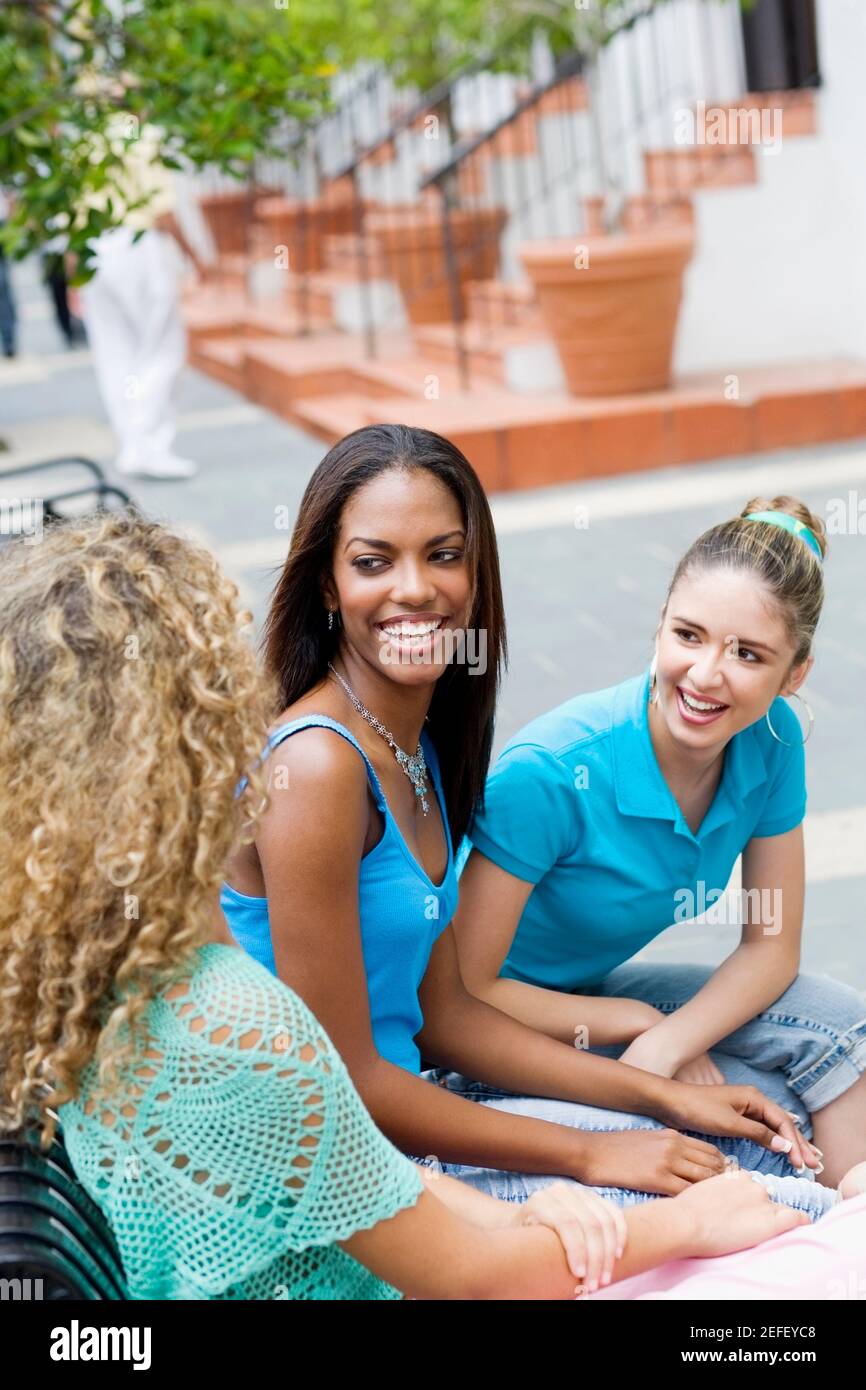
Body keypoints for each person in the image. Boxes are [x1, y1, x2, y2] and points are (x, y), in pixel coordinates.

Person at [7, 507, 858, 1302]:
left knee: (780, 1117)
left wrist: (566, 1180)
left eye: (446, 556)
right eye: (225, 703)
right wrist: (635, 1183)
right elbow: (439, 1244)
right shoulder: (242, 1005)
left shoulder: (127, 959)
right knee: (776, 1191)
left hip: (407, 1182)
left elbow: (372, 1134)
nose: (250, 728)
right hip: (402, 1228)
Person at [221, 427, 835, 1216]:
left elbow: (446, 1017)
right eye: (374, 562)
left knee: (754, 1136)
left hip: (402, 1124)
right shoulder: (315, 766)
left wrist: (656, 1097)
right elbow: (343, 1082)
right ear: (329, 587)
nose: (414, 588)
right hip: (329, 1172)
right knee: (773, 1204)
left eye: (443, 555)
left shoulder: (417, 747)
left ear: (477, 578)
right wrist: (595, 1149)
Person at [452, 496, 866, 1193]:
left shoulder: (772, 741)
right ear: (660, 628)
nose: (706, 674)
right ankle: (814, 1220)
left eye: (747, 654)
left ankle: (846, 1229)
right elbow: (463, 994)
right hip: (482, 1045)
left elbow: (771, 945)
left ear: (795, 674)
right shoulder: (552, 772)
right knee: (749, 1137)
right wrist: (642, 1028)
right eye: (689, 635)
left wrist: (674, 1041)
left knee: (844, 1030)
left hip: (585, 999)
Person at [78, 120, 215, 479]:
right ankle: (150, 443)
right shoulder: (143, 137)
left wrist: (73, 274)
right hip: (137, 246)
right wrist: (194, 256)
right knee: (163, 348)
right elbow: (162, 210)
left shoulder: (87, 141)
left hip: (95, 249)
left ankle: (132, 442)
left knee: (114, 351)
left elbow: (73, 217)